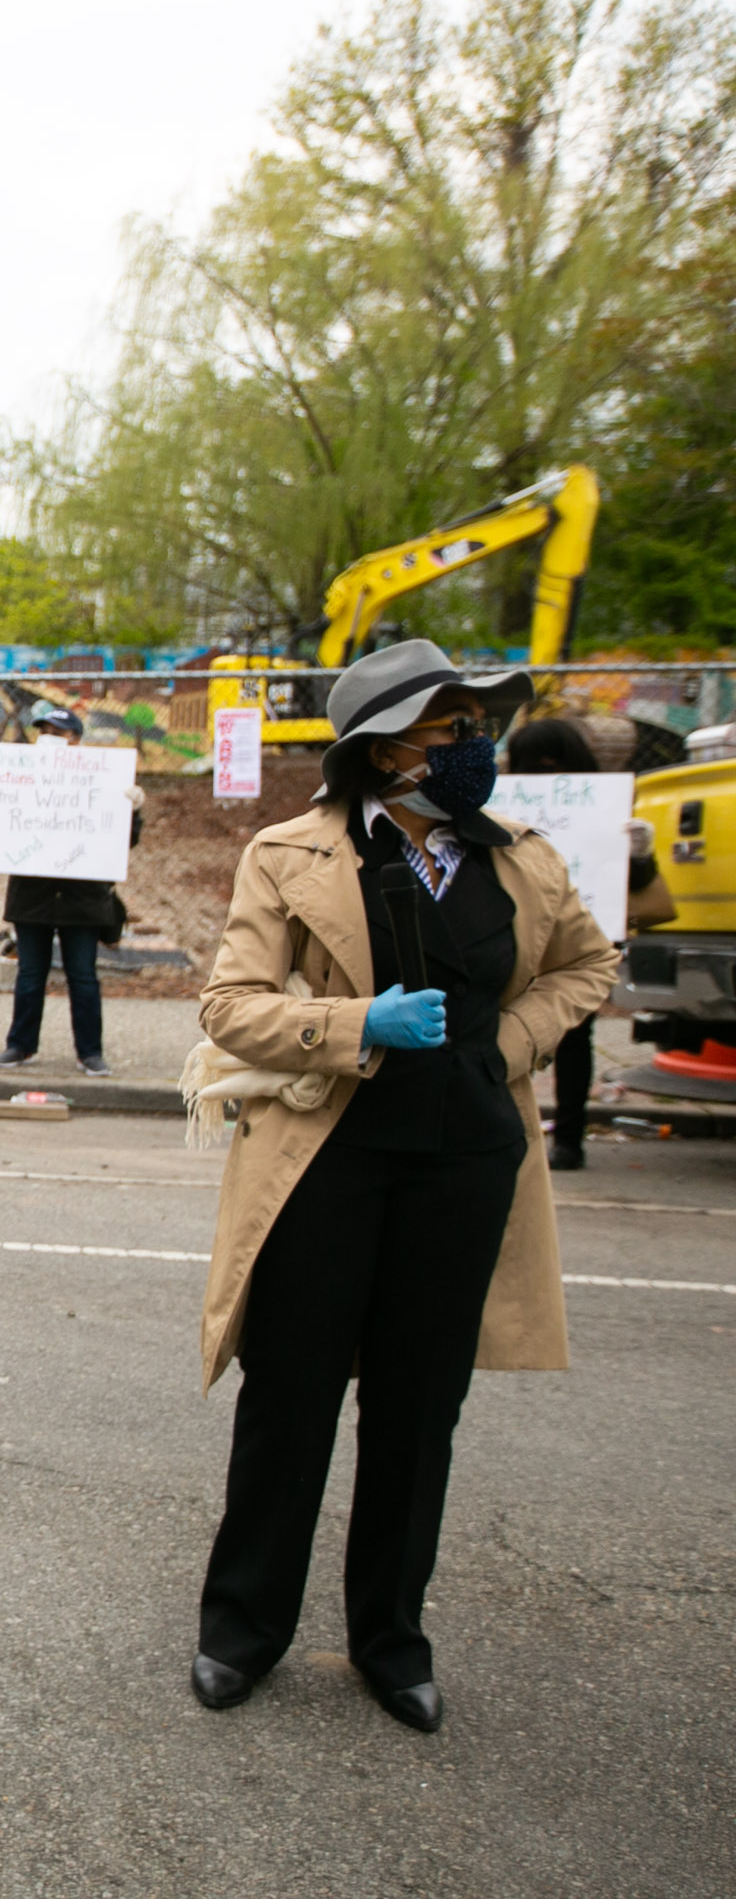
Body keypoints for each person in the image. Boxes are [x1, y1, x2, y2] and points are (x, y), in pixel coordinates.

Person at [188, 638, 615, 1733]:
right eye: (449, 728)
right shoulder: (290, 853)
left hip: (466, 1161)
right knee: (291, 1394)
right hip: (327, 1158)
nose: (474, 746)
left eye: (477, 725)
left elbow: (588, 962)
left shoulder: (520, 856)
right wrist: (346, 1024)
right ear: (383, 751)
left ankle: (391, 1638)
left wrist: (512, 1040)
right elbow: (230, 1002)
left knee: (421, 1407)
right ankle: (243, 1629)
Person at [501, 715, 670, 1170]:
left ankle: (568, 1139)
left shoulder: (600, 811)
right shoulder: (498, 806)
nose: (541, 776)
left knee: (573, 1040)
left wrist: (638, 854)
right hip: (511, 935)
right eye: (530, 766)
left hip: (573, 940)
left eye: (550, 765)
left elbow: (630, 887)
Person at [0, 700, 140, 1078]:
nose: (49, 739)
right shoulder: (20, 776)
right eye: (44, 732)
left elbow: (126, 839)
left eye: (57, 733)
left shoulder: (101, 779)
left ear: (76, 739)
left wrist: (132, 810)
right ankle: (19, 1046)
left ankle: (90, 1053)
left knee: (82, 975)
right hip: (33, 896)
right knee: (30, 974)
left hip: (82, 899)